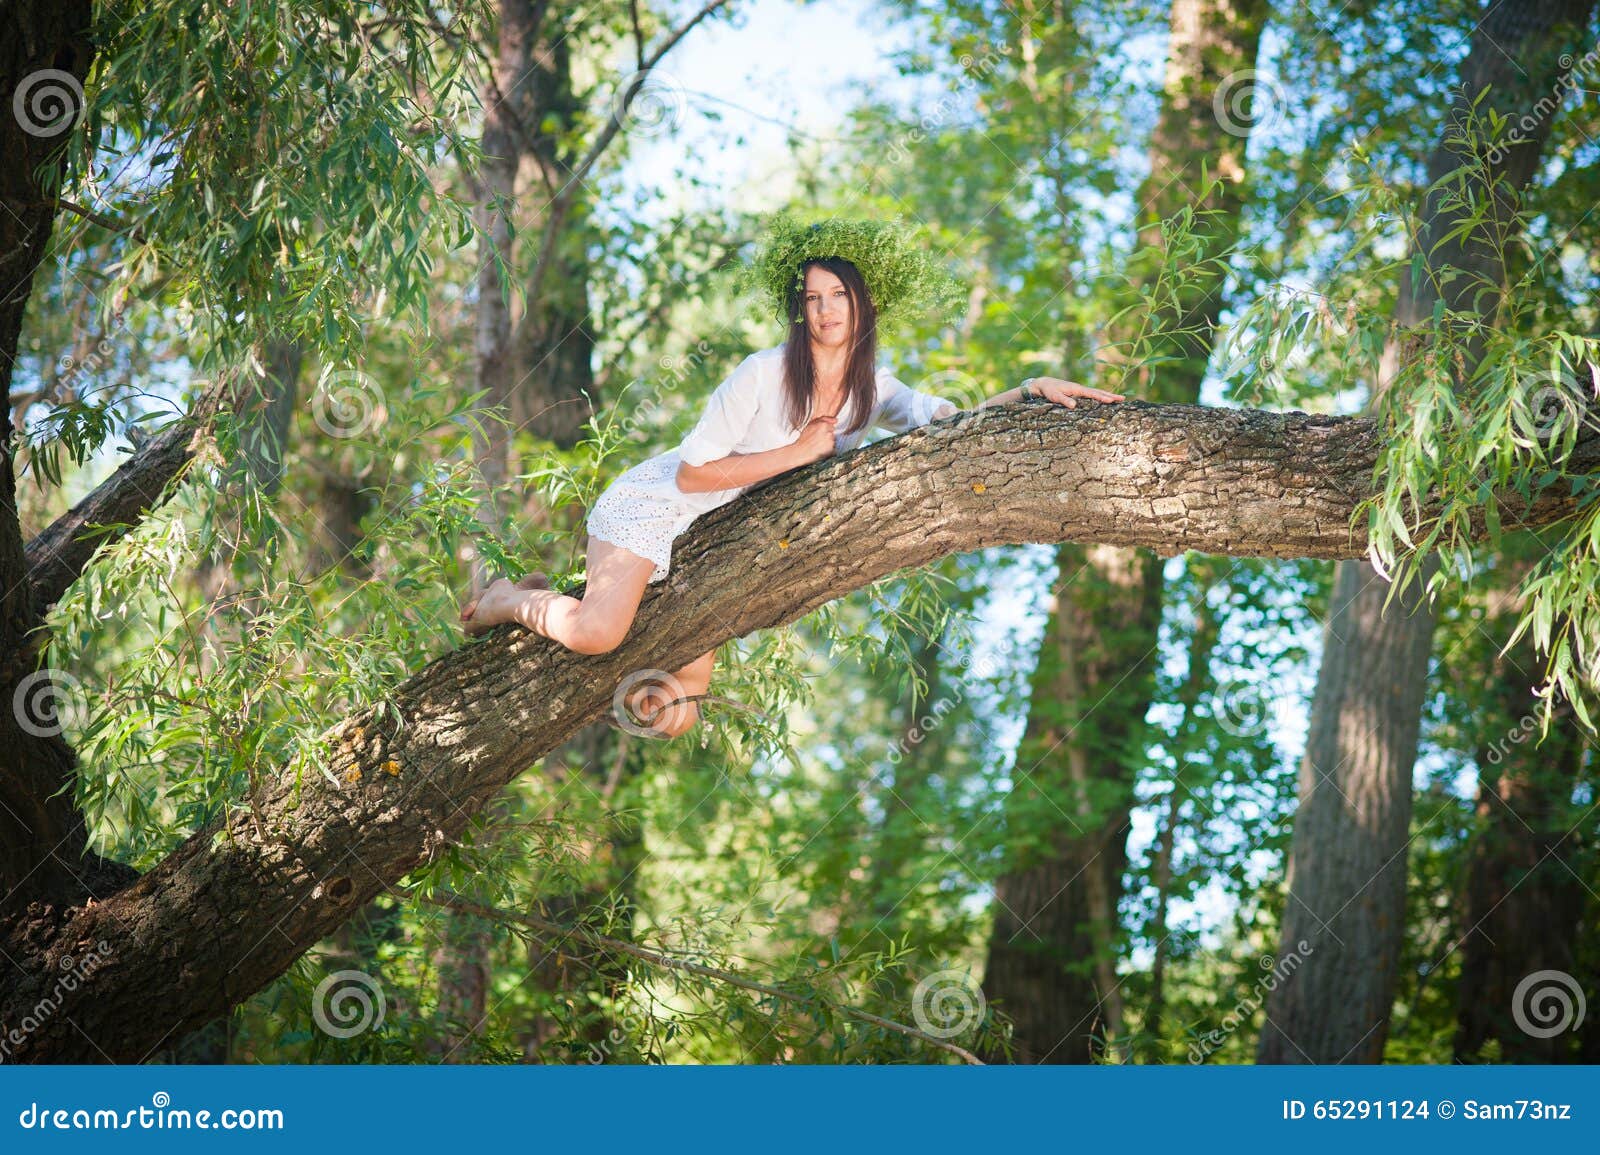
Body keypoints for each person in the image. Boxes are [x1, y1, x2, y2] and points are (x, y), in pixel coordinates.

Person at [459, 217, 1125, 737]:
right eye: (813, 297)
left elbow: (952, 428)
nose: (828, 309)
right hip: (653, 506)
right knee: (597, 634)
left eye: (840, 295)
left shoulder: (873, 390)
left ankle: (560, 615)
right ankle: (503, 601)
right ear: (799, 309)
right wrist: (799, 452)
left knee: (676, 714)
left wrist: (1032, 388)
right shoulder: (761, 373)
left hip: (719, 542)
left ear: (863, 306)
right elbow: (692, 475)